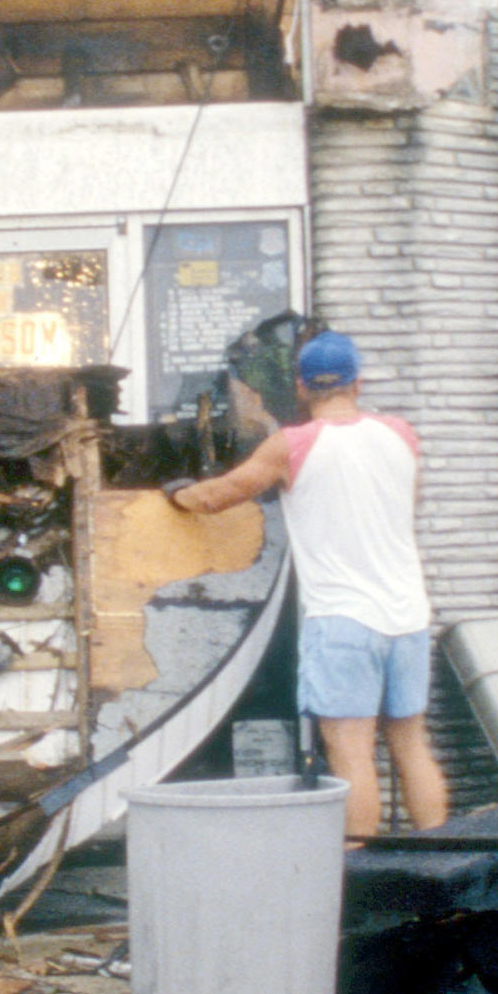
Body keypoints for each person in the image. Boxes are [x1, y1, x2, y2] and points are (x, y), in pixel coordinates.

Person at [164, 327, 448, 847]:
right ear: (357, 383)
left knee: (351, 755)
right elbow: (408, 503)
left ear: (300, 387)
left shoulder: (292, 445)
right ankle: (446, 866)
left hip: (342, 621)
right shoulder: (401, 434)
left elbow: (219, 496)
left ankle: (356, 874)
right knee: (411, 745)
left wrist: (178, 496)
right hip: (407, 614)